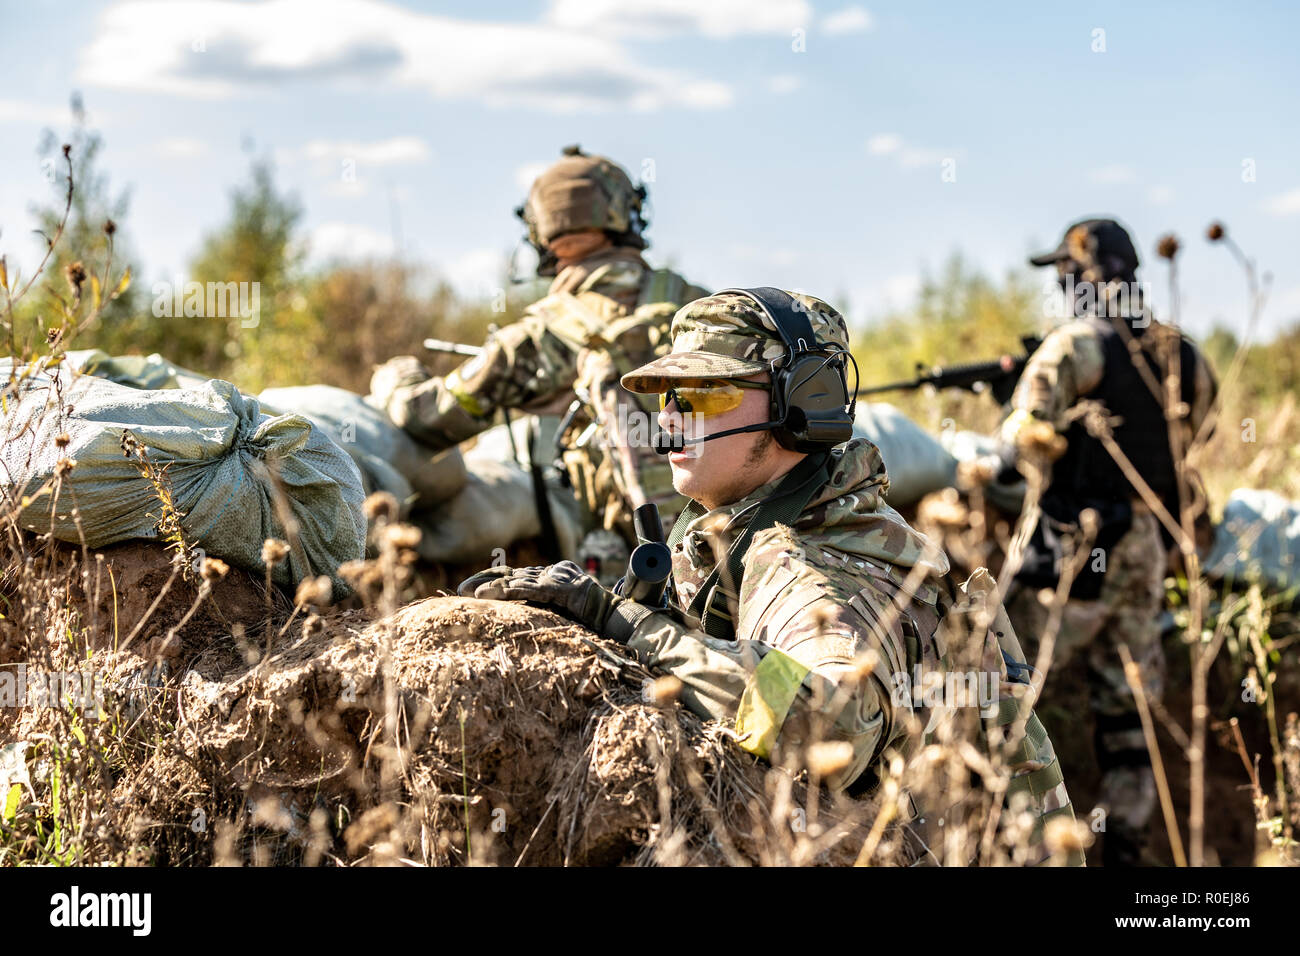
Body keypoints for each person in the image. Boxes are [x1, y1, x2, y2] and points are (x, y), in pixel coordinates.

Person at [461, 288, 1081, 864]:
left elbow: (832, 725)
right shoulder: (769, 530)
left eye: (705, 396)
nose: (670, 419)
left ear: (800, 403)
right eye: (666, 398)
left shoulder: (815, 568)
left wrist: (623, 622)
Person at [369, 146, 706, 576]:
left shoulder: (540, 337)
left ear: (540, 233)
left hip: (649, 564)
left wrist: (397, 377)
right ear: (628, 213)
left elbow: (431, 418)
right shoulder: (700, 305)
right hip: (742, 538)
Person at [1004, 217, 1217, 866]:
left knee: (997, 682)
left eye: (1064, 276)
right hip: (1149, 553)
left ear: (1080, 277)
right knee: (1129, 710)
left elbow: (1018, 449)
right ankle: (1126, 842)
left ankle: (1014, 835)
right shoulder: (1184, 353)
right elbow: (1194, 434)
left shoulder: (1075, 347)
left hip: (1076, 554)